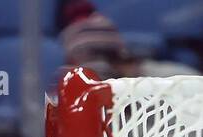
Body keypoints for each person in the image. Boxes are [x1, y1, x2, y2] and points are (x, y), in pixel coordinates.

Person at [60, 1, 198, 79]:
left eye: (107, 55)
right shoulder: (69, 96)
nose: (100, 66)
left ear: (122, 55)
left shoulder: (176, 81)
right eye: (88, 59)